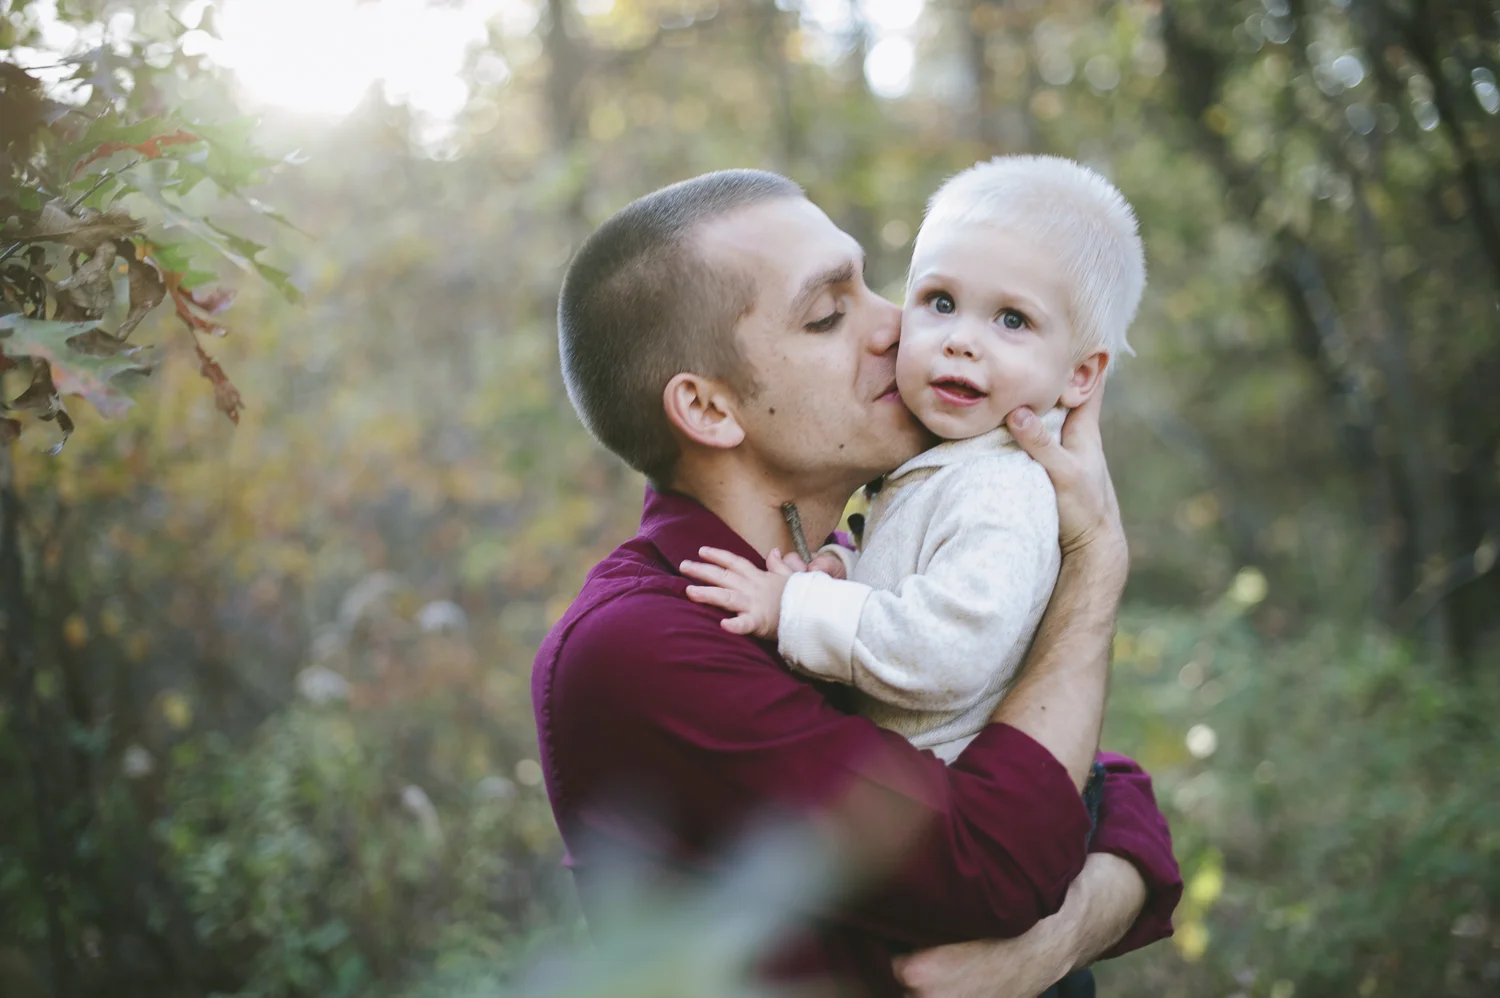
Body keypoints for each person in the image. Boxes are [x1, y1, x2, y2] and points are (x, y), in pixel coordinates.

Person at [532, 169, 1180, 997]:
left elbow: (1097, 780)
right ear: (708, 409)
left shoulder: (856, 561)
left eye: (880, 285)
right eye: (830, 313)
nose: (901, 326)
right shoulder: (642, 645)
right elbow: (1008, 853)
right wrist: (1094, 564)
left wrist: (1055, 940)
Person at [678, 156, 1146, 767]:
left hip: (974, 787)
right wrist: (844, 563)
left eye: (1013, 319)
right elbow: (918, 562)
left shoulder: (1003, 490)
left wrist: (795, 608)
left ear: (1081, 375)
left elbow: (948, 649)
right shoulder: (952, 461)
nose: (960, 339)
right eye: (940, 301)